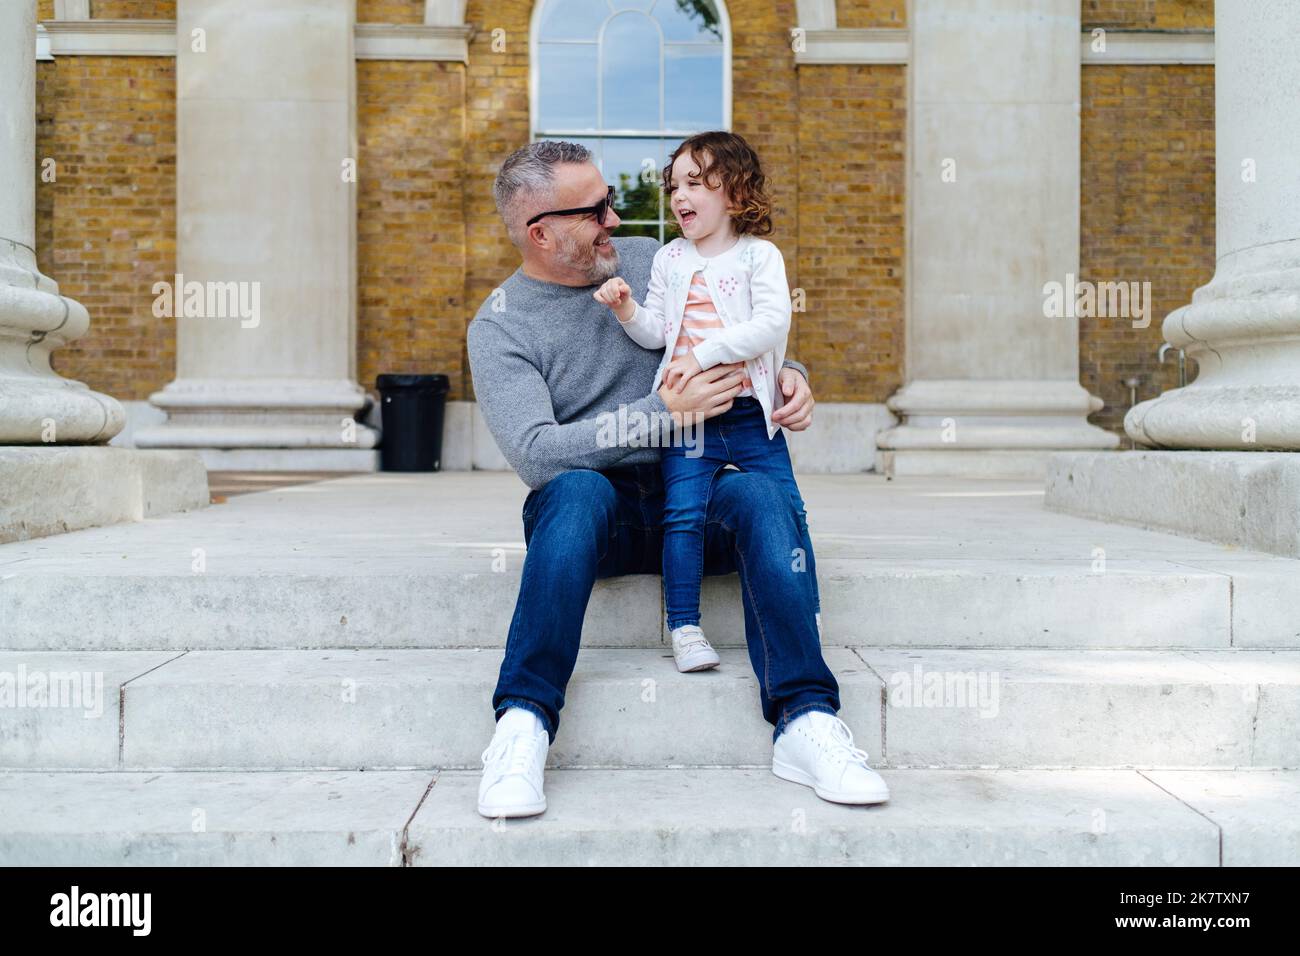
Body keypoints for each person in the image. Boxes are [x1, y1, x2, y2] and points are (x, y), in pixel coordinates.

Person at [466, 140, 890, 819]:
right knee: (571, 492)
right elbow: (538, 456)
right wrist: (657, 415)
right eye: (597, 209)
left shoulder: (651, 260)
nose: (617, 216)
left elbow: (744, 325)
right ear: (539, 232)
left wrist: (794, 374)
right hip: (598, 514)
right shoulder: (499, 327)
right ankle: (523, 723)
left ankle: (806, 719)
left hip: (695, 493)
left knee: (756, 491)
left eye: (613, 200)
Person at [594, 131, 821, 674]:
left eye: (695, 183)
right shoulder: (670, 259)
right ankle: (685, 626)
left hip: (748, 415)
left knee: (787, 507)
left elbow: (771, 324)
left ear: (737, 194)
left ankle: (804, 609)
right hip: (688, 418)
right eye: (674, 185)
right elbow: (658, 333)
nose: (678, 195)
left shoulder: (759, 257)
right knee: (684, 516)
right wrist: (626, 310)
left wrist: (704, 354)